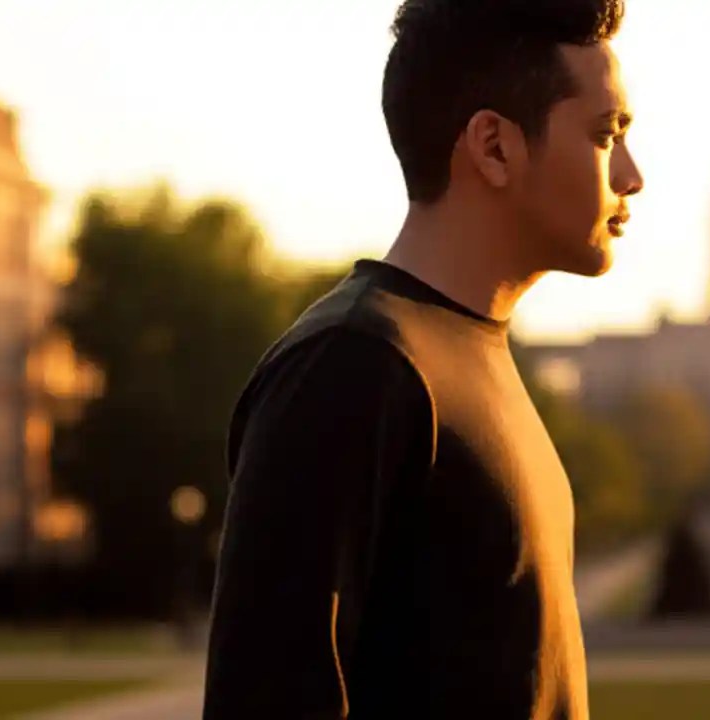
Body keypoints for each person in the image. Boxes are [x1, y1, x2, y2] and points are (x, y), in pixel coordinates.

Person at [202, 0, 643, 717]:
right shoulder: (353, 368)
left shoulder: (472, 358)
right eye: (605, 136)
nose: (631, 175)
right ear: (494, 147)